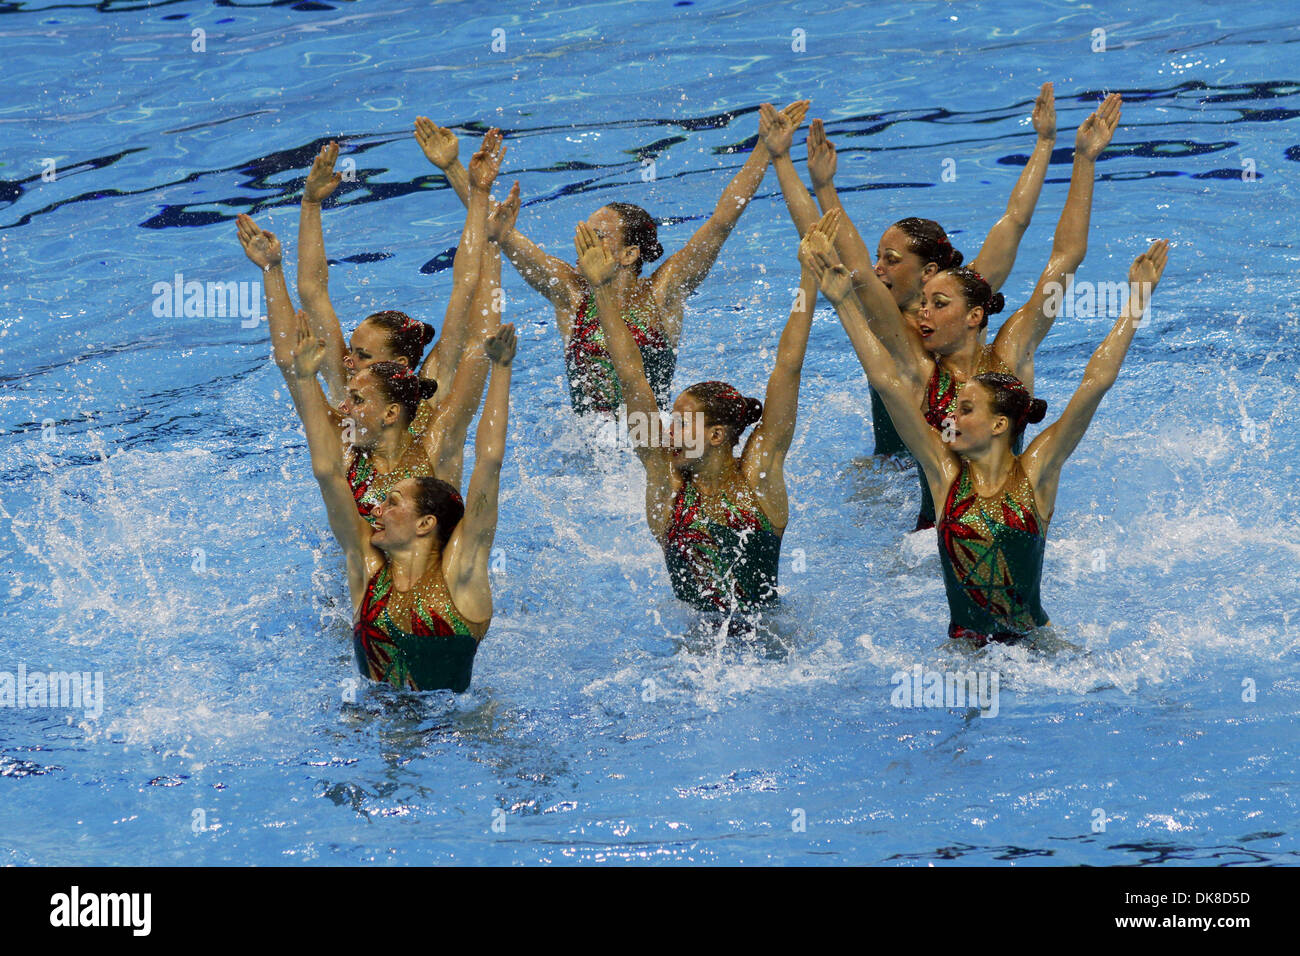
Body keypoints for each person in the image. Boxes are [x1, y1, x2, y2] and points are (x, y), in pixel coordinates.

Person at [811, 231, 1169, 645]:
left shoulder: (1036, 474)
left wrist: (1136, 300)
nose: (950, 420)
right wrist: (842, 303)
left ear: (1000, 424)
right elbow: (885, 381)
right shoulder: (944, 475)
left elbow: (1095, 383)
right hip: (965, 648)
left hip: (1036, 647)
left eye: (966, 410)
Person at [828, 94, 1122, 528]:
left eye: (938, 304)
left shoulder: (1014, 353)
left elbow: (1066, 257)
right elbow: (859, 279)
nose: (922, 314)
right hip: (933, 539)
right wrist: (821, 188)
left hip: (1013, 523)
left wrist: (1081, 159)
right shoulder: (919, 368)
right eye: (924, 303)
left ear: (975, 316)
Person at [414, 105, 809, 417]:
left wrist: (765, 151)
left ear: (629, 254)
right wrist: (453, 168)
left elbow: (722, 222)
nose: (583, 242)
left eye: (598, 236)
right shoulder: (570, 294)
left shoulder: (662, 294)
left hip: (650, 447)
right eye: (583, 232)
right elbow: (501, 232)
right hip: (588, 457)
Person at [572, 207, 838, 623]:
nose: (667, 429)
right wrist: (603, 291)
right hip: (695, 649)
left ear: (717, 436)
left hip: (772, 644)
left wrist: (810, 276)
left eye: (681, 422)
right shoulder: (665, 483)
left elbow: (789, 366)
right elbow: (631, 375)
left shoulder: (760, 479)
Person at [802, 82, 1062, 459]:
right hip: (904, 470)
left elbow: (1014, 222)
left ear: (930, 271)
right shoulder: (899, 336)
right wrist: (824, 186)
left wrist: (1044, 143)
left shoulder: (963, 297)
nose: (879, 269)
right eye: (879, 258)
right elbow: (856, 270)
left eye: (891, 259)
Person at [290, 302, 517, 692]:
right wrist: (306, 378)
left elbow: (490, 463)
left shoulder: (463, 575)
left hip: (457, 732)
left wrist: (501, 370)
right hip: (373, 731)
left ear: (427, 523)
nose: (377, 507)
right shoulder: (365, 567)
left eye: (393, 503)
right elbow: (327, 473)